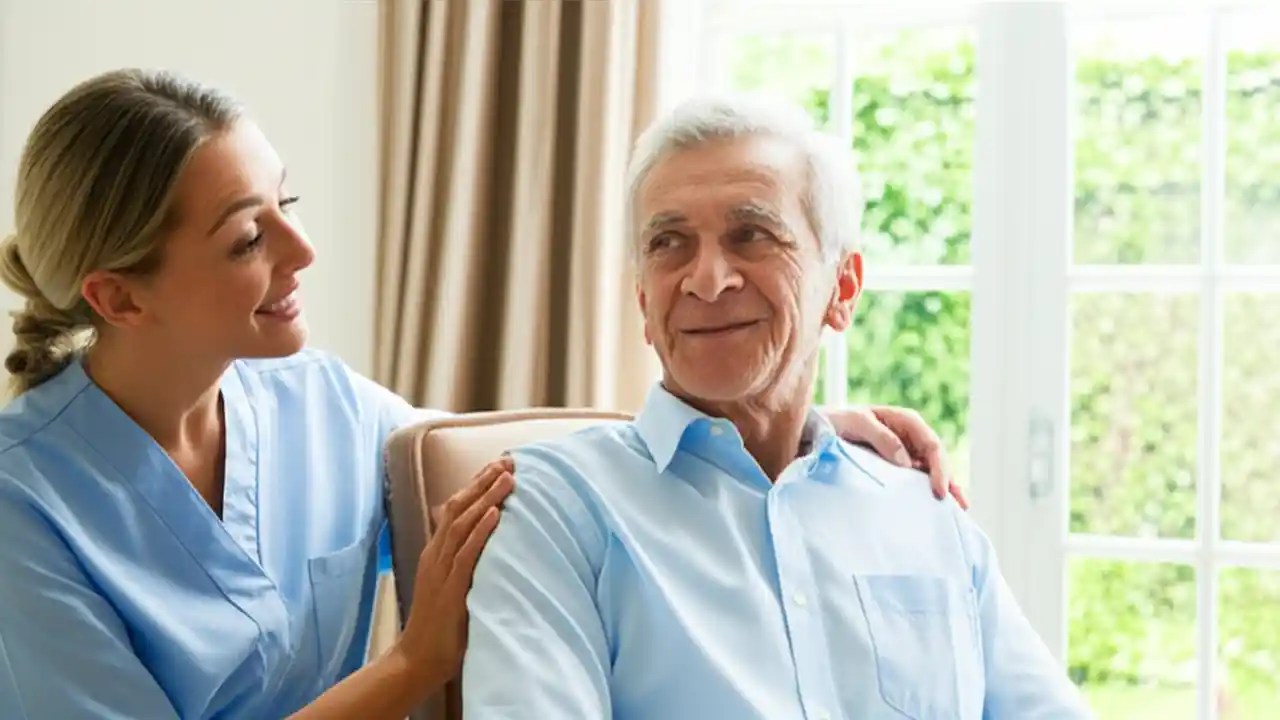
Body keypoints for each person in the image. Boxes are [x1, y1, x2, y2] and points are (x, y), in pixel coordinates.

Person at [0, 70, 961, 719]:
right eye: (248, 240)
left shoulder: (319, 407)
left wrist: (778, 423)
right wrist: (411, 669)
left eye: (285, 206)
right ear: (119, 296)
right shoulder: (23, 506)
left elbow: (527, 463)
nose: (303, 252)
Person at [461, 95, 1094, 719]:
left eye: (752, 235)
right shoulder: (554, 509)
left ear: (841, 289)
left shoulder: (926, 511)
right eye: (669, 243)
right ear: (643, 304)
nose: (707, 279)